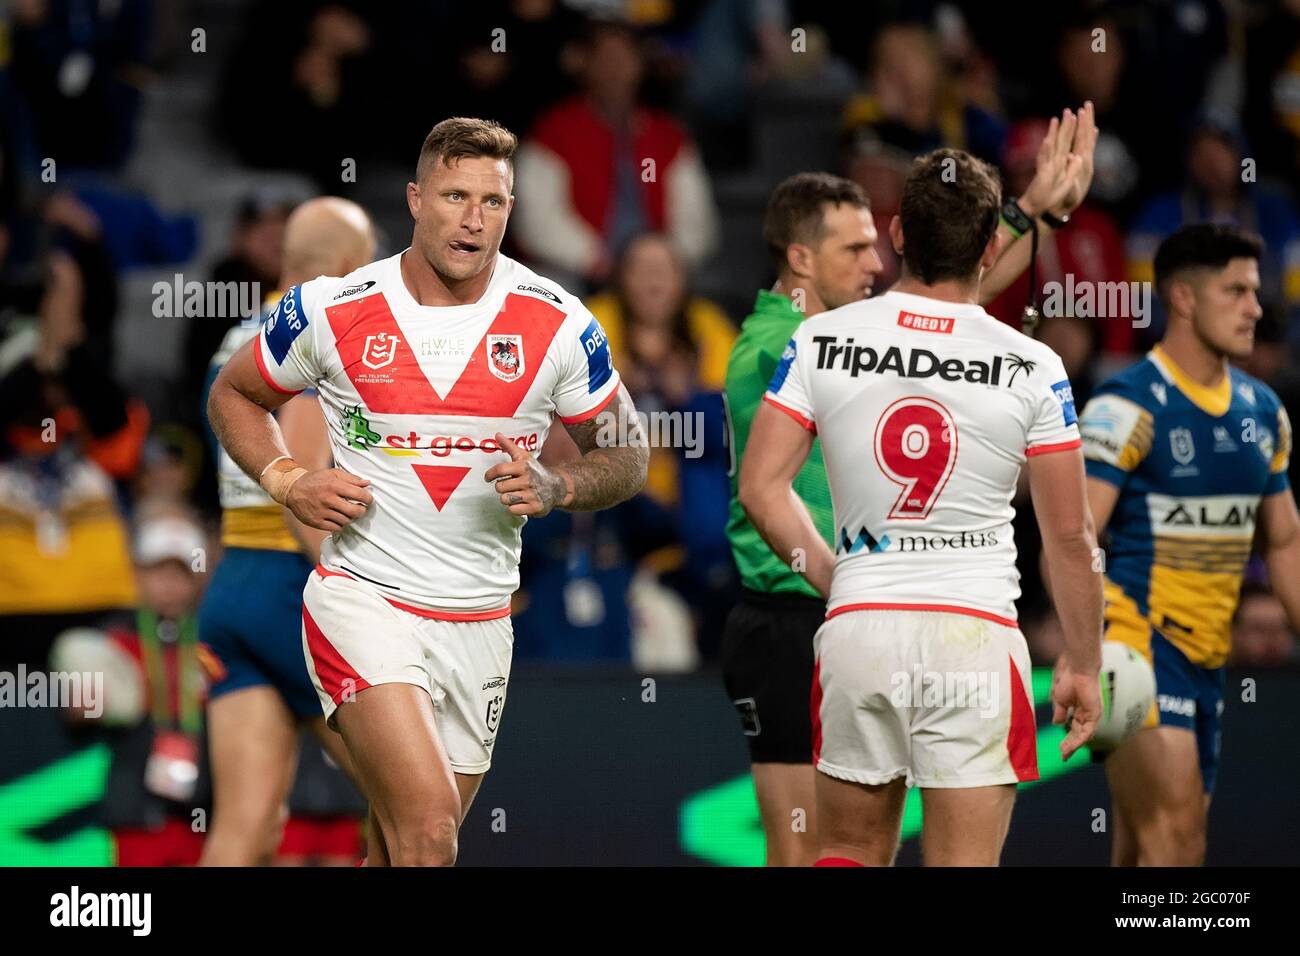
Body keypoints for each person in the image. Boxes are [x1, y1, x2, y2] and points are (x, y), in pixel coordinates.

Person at [207, 117, 648, 867]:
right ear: (415, 199)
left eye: (494, 201)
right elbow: (235, 392)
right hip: (362, 599)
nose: (475, 219)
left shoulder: (557, 321)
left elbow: (629, 453)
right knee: (431, 829)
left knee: (399, 844)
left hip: (479, 618)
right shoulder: (335, 306)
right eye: (455, 195)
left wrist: (556, 482)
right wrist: (288, 480)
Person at [721, 107, 1098, 866]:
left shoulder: (822, 338)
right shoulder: (1033, 364)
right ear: (992, 247)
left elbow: (763, 487)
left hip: (862, 631)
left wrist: (841, 578)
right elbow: (1068, 537)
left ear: (897, 236)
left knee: (848, 853)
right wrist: (1084, 664)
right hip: (975, 636)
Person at [1078, 223, 1300, 865]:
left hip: (1208, 658)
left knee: (1141, 851)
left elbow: (1283, 542)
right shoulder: (1126, 404)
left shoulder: (1263, 412)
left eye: (1255, 292)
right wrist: (1086, 642)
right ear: (1181, 297)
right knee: (1175, 846)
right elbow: (1076, 536)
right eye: (1235, 290)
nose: (1255, 307)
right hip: (1136, 646)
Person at [198, 197, 375, 867]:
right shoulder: (317, 331)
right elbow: (301, 481)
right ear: (351, 265)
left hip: (233, 588)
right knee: (415, 805)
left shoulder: (240, 333)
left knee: (245, 829)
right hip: (293, 592)